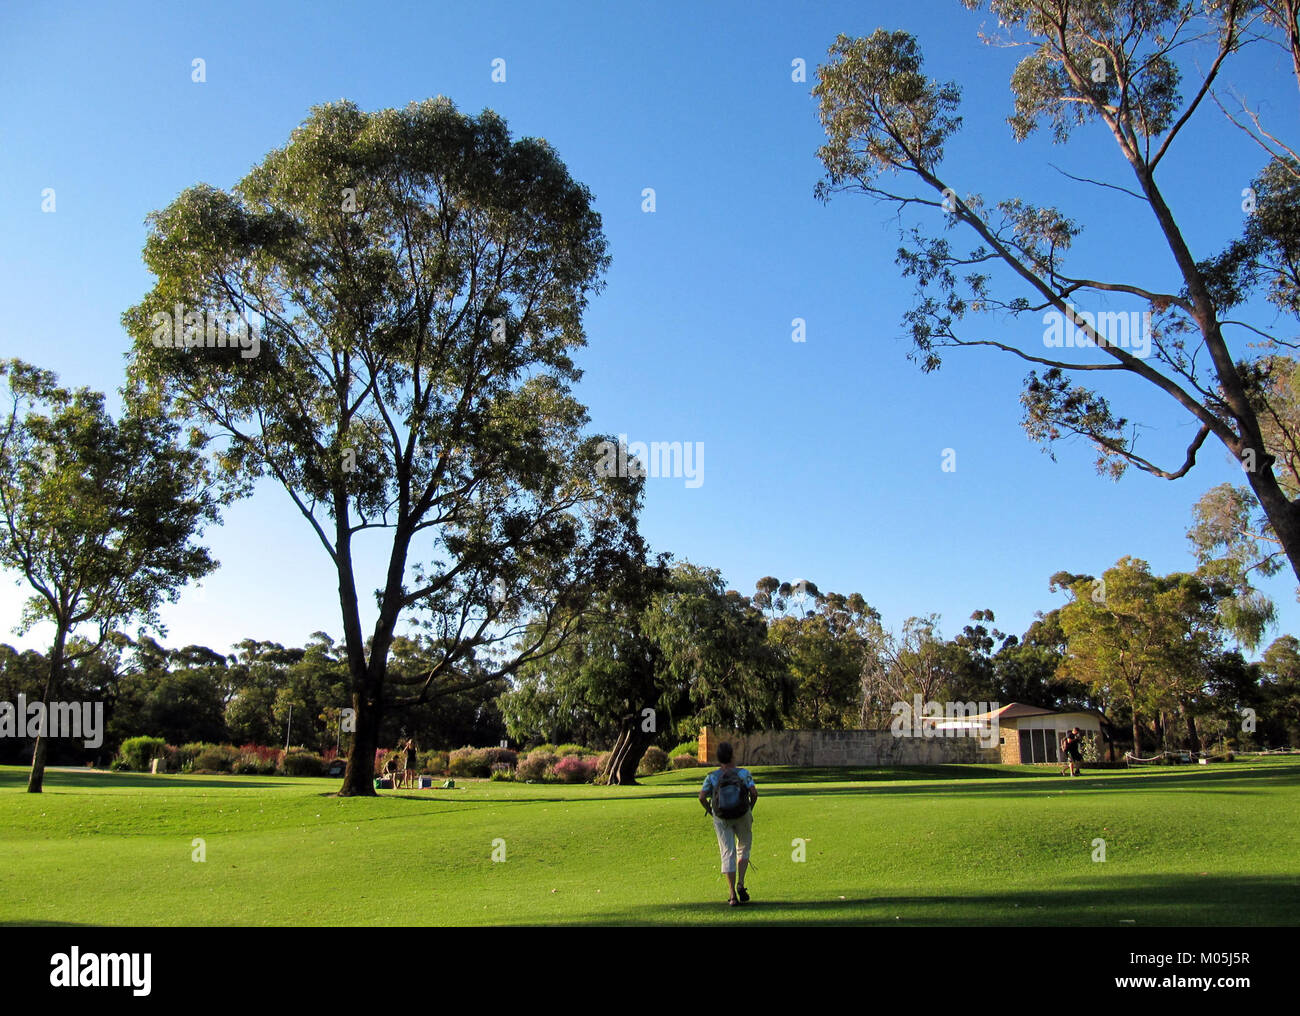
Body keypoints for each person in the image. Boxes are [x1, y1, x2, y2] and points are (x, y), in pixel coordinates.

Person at [698, 742, 759, 907]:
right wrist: (749, 808)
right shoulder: (744, 773)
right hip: (742, 814)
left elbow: (702, 796)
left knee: (727, 852)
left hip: (721, 817)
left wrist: (711, 811)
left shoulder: (712, 777)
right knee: (744, 847)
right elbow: (754, 793)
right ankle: (741, 882)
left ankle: (732, 894)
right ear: (732, 755)